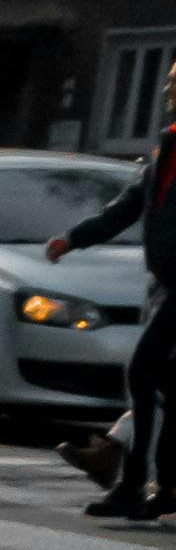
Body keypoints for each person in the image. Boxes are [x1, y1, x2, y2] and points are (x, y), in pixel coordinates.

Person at [50, 95, 176, 519]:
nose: (166, 95)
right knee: (162, 381)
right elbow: (127, 207)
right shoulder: (167, 147)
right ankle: (161, 484)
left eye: (174, 85)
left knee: (143, 372)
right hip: (165, 285)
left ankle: (133, 483)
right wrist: (74, 238)